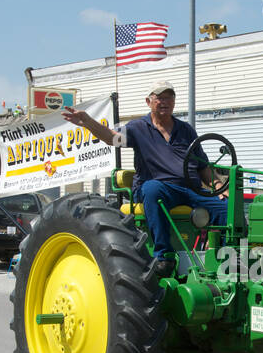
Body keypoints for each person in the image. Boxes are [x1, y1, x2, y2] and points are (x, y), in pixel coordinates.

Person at [61, 81, 227, 271]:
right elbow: (111, 138)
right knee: (152, 189)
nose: (164, 102)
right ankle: (164, 256)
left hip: (190, 189)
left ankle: (226, 258)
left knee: (226, 209)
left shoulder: (186, 130)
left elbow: (203, 166)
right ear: (149, 101)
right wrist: (88, 122)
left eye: (169, 97)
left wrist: (219, 187)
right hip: (160, 188)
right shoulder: (138, 127)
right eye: (159, 98)